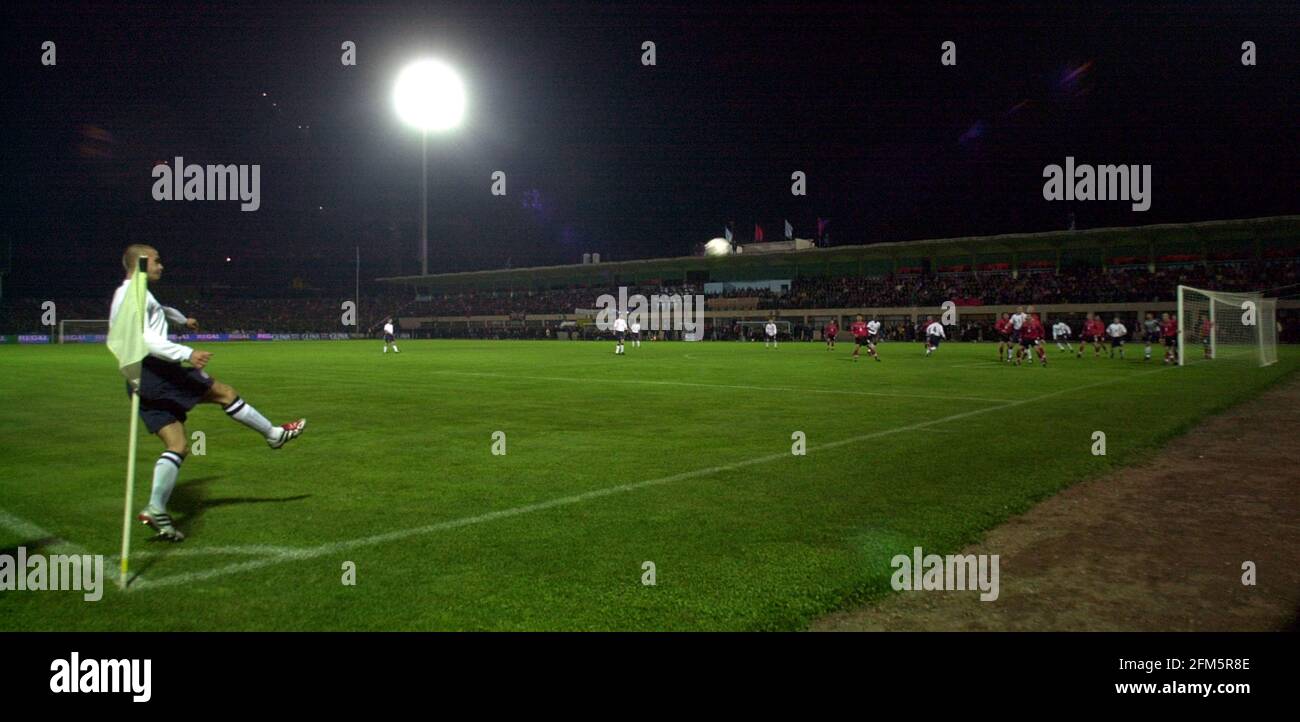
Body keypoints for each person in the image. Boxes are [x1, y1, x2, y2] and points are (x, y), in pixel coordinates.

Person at [108, 245, 306, 542]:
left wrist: (181, 320)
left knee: (177, 445)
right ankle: (273, 435)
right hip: (156, 370)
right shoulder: (132, 293)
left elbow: (158, 312)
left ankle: (156, 508)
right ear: (141, 264)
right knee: (224, 393)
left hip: (138, 379)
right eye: (157, 261)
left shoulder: (135, 291)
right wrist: (187, 352)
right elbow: (142, 337)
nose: (162, 266)